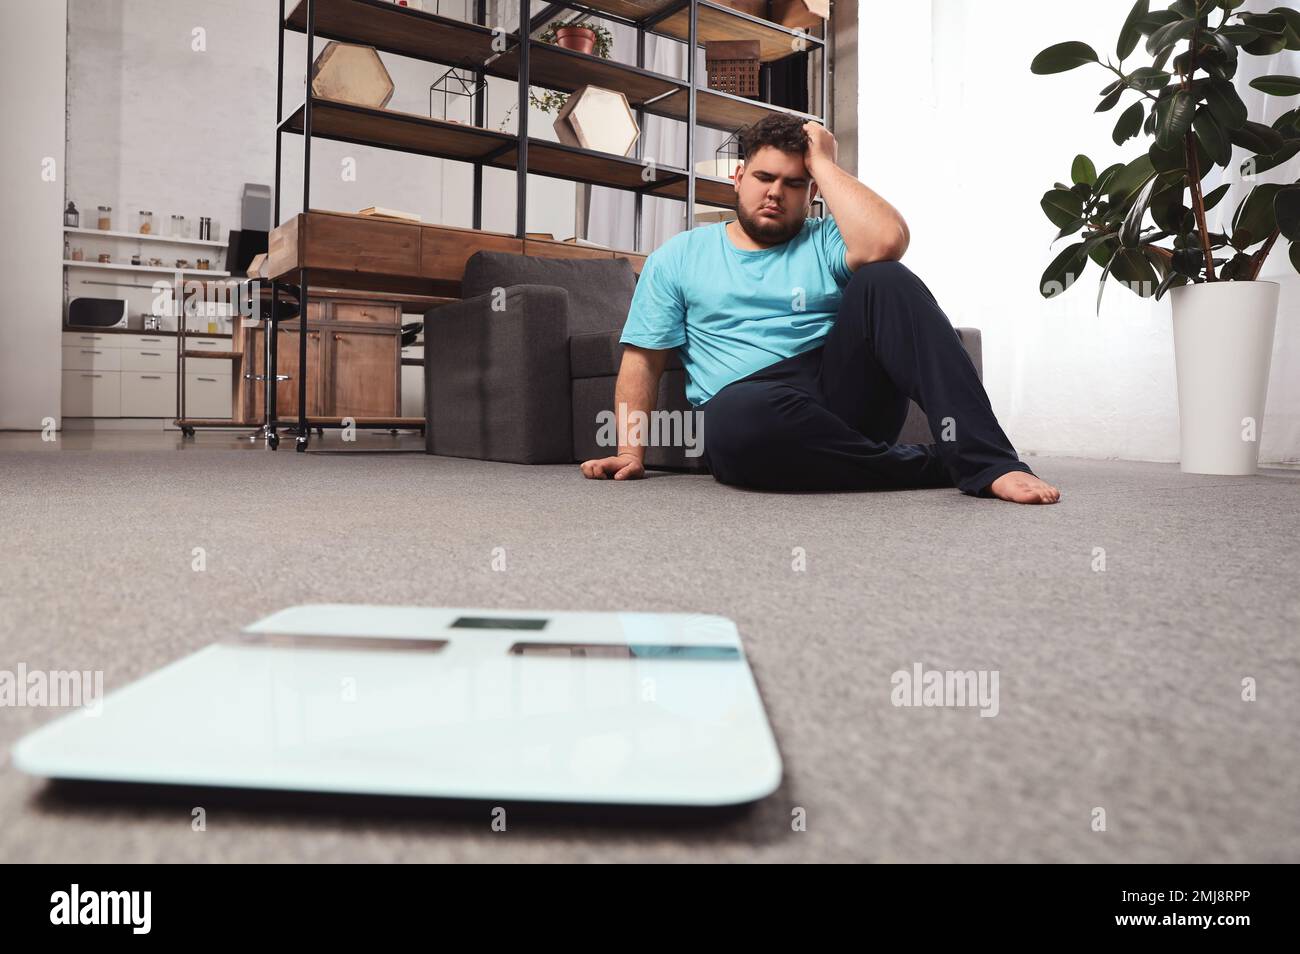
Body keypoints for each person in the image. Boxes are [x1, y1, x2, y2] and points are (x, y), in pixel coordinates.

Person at [580, 113, 1059, 504]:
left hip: (841, 389)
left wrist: (825, 165)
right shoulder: (678, 256)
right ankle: (936, 462)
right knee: (736, 419)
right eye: (764, 177)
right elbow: (643, 359)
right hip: (755, 407)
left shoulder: (829, 237)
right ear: (738, 178)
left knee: (884, 277)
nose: (774, 192)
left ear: (811, 194)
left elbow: (888, 241)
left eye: (793, 183)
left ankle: (988, 460)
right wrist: (629, 450)